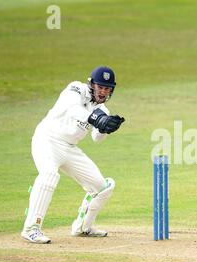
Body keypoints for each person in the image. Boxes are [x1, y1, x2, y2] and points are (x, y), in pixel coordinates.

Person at [21, 66, 125, 244]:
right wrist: (95, 119)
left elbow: (96, 139)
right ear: (91, 84)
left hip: (69, 148)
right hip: (47, 140)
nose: (103, 92)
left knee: (102, 187)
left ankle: (83, 227)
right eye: (100, 87)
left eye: (107, 89)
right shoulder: (76, 89)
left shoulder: (102, 110)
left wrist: (107, 127)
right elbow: (72, 109)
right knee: (49, 175)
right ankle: (31, 228)